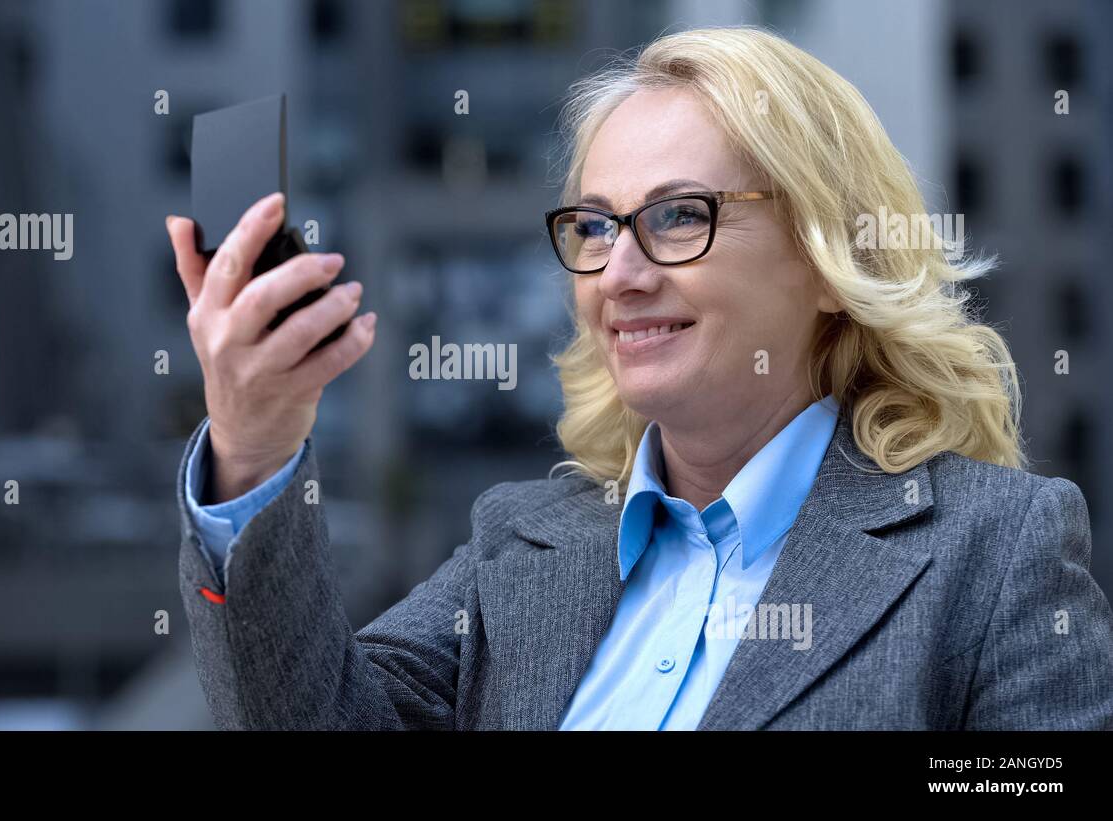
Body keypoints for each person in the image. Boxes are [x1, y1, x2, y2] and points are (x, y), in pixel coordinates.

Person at [163, 27, 1113, 730]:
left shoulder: (996, 552)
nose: (619, 272)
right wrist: (255, 444)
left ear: (828, 259)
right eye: (595, 226)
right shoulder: (520, 548)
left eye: (677, 217)